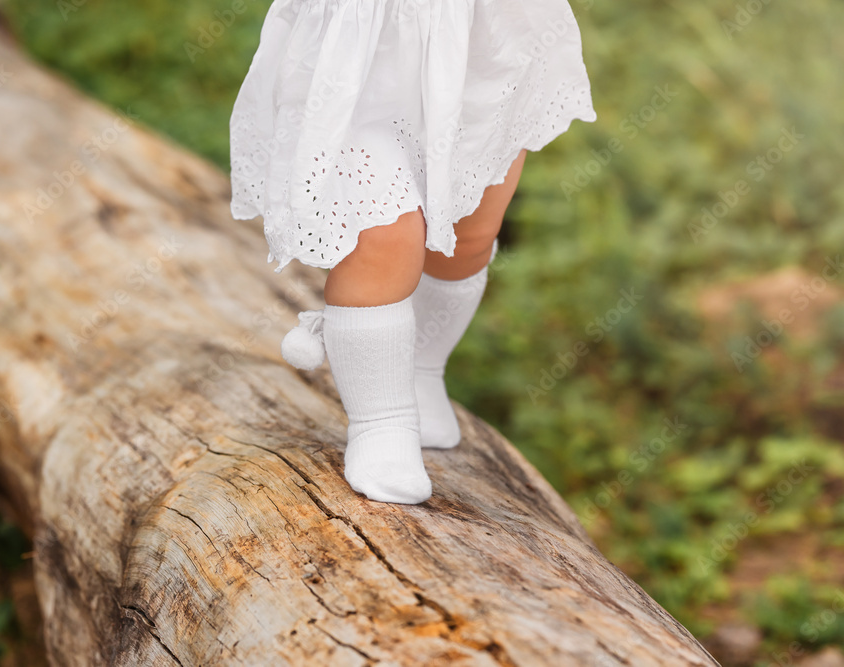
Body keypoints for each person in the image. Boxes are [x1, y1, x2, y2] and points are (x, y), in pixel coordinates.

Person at [229, 0, 596, 505]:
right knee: (381, 236)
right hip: (362, 46)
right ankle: (382, 422)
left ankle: (423, 370)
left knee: (469, 235)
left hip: (482, 36)